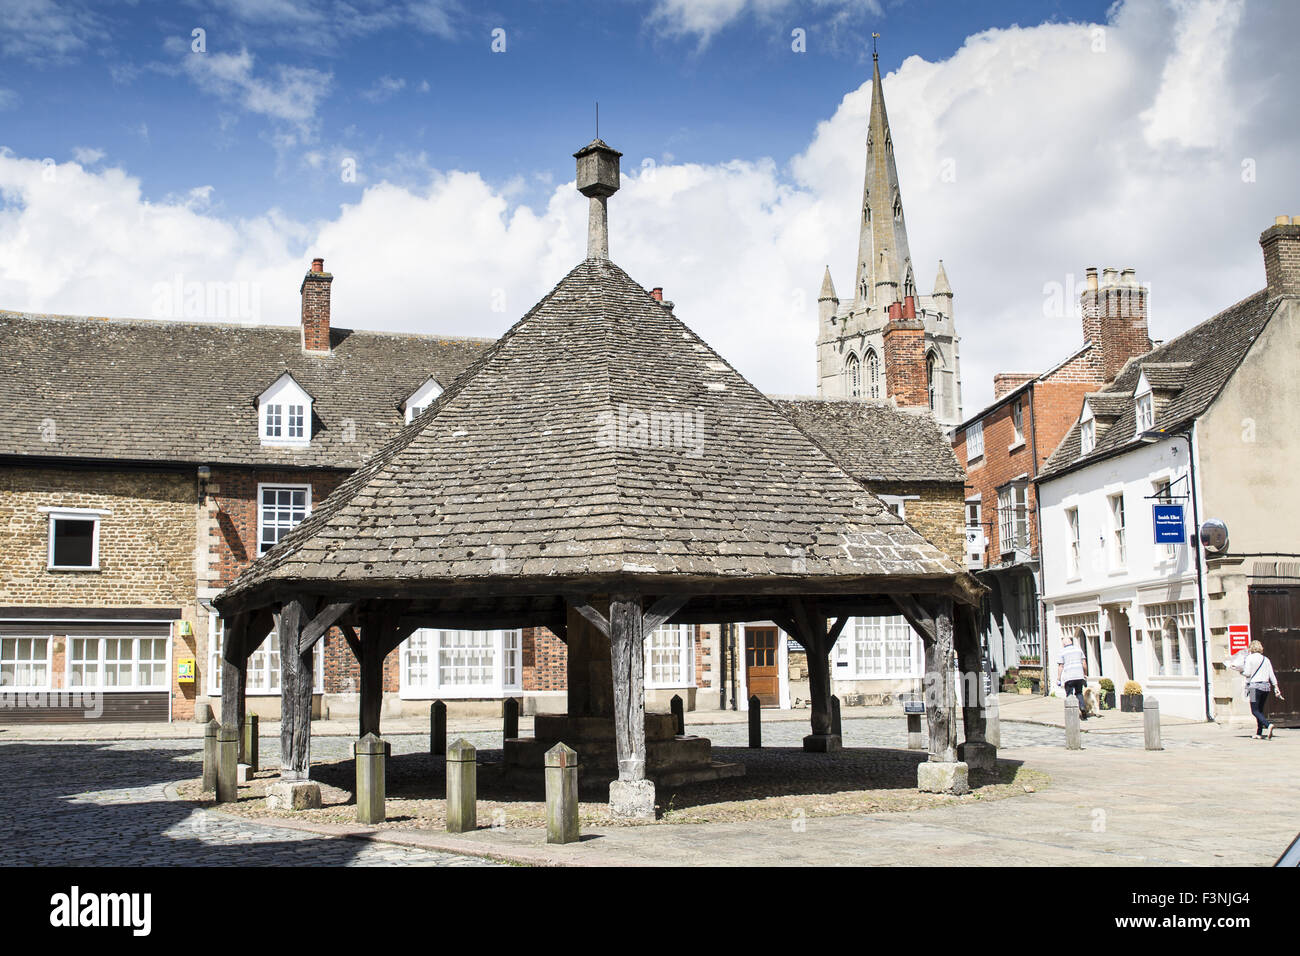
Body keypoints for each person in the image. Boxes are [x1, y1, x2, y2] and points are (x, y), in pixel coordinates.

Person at [1232, 640, 1284, 739]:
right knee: (1260, 710)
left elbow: (1247, 673)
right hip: (1266, 687)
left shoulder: (1249, 658)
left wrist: (1239, 671)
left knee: (1254, 710)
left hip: (1253, 687)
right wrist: (1276, 687)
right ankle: (1259, 732)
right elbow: (1271, 675)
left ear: (1251, 648)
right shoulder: (1266, 659)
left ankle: (1268, 725)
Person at [1058, 636, 1089, 718]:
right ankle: (1082, 707)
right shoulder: (1078, 650)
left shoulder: (1062, 652)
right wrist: (1085, 674)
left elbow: (1061, 666)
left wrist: (1058, 678)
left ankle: (1071, 713)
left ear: (1064, 644)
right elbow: (1084, 663)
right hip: (1079, 676)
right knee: (1079, 693)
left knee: (1069, 695)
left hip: (1069, 677)